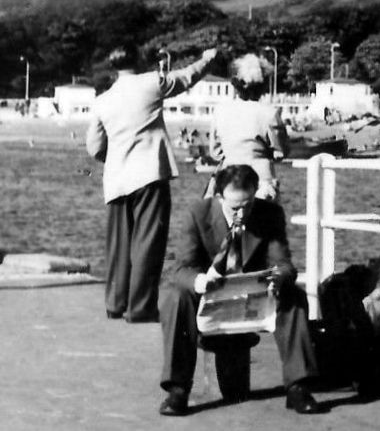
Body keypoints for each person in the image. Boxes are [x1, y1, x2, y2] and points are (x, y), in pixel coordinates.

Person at [157, 165, 323, 416]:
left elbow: (284, 263)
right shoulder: (197, 213)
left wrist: (278, 277)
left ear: (255, 193)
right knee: (175, 297)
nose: (242, 214)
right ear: (219, 197)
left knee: (294, 296)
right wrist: (200, 281)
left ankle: (298, 386)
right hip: (208, 291)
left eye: (248, 204)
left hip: (253, 292)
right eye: (235, 208)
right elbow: (180, 269)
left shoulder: (270, 213)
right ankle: (177, 390)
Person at [86, 46, 217, 323]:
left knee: (118, 244)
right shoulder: (152, 83)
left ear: (113, 67)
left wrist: (113, 157)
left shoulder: (103, 100)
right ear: (138, 60)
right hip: (149, 172)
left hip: (117, 178)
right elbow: (187, 77)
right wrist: (207, 60)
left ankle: (115, 303)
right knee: (148, 242)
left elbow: (94, 146)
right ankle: (141, 306)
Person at [209, 54, 289, 200]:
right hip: (261, 181)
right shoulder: (270, 113)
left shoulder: (220, 111)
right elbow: (281, 152)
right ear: (263, 85)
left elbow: (215, 152)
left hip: (228, 178)